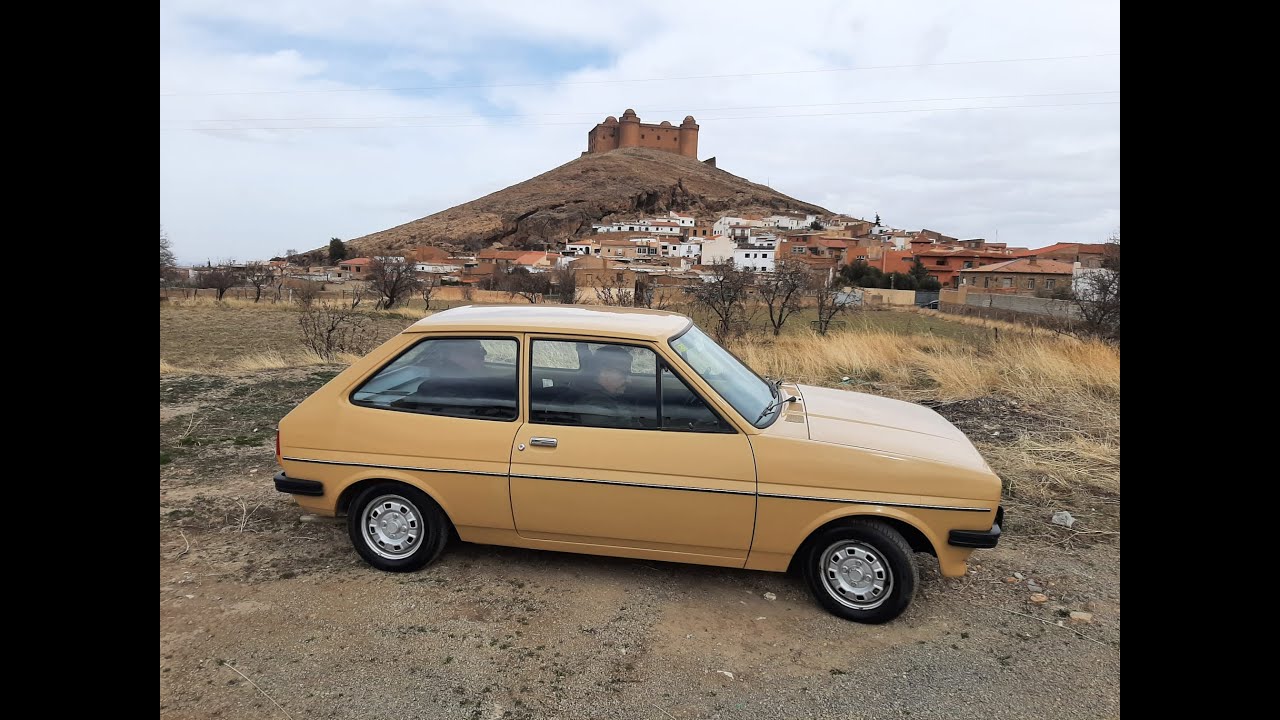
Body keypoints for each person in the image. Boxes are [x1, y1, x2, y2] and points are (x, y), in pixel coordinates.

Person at [578, 346, 640, 428]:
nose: (629, 381)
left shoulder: (608, 397)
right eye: (624, 374)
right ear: (603, 372)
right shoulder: (595, 407)